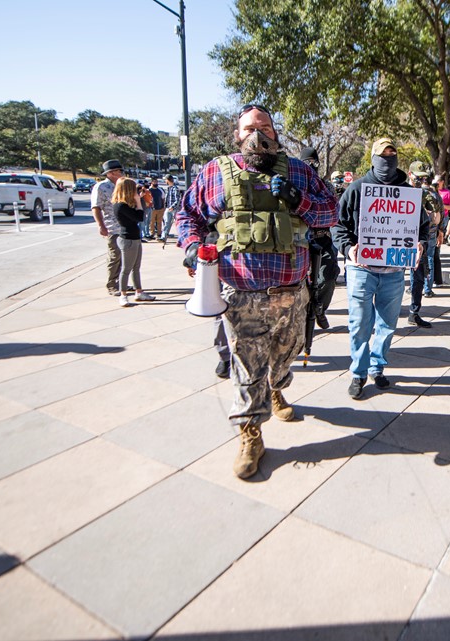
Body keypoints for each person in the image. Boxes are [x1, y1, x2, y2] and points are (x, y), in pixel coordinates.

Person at [177, 104, 338, 479]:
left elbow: (331, 212)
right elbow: (188, 215)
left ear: (275, 132)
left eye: (263, 126)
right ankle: (251, 433)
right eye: (249, 128)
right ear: (238, 135)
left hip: (291, 292)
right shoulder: (215, 171)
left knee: (284, 356)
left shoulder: (299, 170)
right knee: (247, 366)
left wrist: (299, 200)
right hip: (241, 292)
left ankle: (278, 387)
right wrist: (190, 246)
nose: (256, 134)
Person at [332, 137, 429, 400]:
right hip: (361, 269)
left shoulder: (409, 192)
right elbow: (337, 226)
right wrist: (349, 249)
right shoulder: (356, 189)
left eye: (392, 154)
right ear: (374, 158)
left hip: (394, 272)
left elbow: (422, 227)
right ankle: (358, 372)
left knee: (387, 325)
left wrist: (420, 244)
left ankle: (377, 366)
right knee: (360, 324)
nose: (388, 160)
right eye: (383, 155)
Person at [297, 147, 340, 332]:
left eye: (315, 164)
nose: (312, 167)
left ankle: (319, 307)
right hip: (302, 241)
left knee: (329, 276)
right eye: (308, 164)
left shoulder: (325, 186)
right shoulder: (296, 186)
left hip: (323, 239)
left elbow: (334, 209)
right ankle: (306, 312)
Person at [111, 177, 156, 307]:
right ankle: (123, 295)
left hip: (134, 238)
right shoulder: (120, 205)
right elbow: (139, 217)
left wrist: (138, 200)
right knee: (126, 269)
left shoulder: (125, 204)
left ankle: (139, 292)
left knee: (136, 268)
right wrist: (138, 201)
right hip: (128, 239)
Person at [406, 161, 440, 328]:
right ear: (409, 174)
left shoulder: (425, 194)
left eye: (423, 178)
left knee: (418, 277)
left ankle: (414, 312)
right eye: (417, 177)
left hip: (417, 238)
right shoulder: (399, 190)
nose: (420, 181)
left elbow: (436, 217)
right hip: (397, 238)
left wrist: (429, 218)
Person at [90, 160, 125, 296]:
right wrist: (101, 225)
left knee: (124, 257)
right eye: (118, 171)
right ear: (110, 173)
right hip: (112, 227)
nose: (121, 173)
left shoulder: (121, 185)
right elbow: (96, 207)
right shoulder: (101, 187)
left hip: (124, 226)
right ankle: (111, 284)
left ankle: (121, 282)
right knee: (114, 256)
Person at [161, 175, 182, 240]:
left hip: (174, 209)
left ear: (168, 180)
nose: (165, 181)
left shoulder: (175, 188)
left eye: (166, 180)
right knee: (166, 222)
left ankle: (181, 237)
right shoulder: (168, 188)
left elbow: (178, 199)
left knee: (178, 223)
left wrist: (173, 206)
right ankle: (163, 237)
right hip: (168, 208)